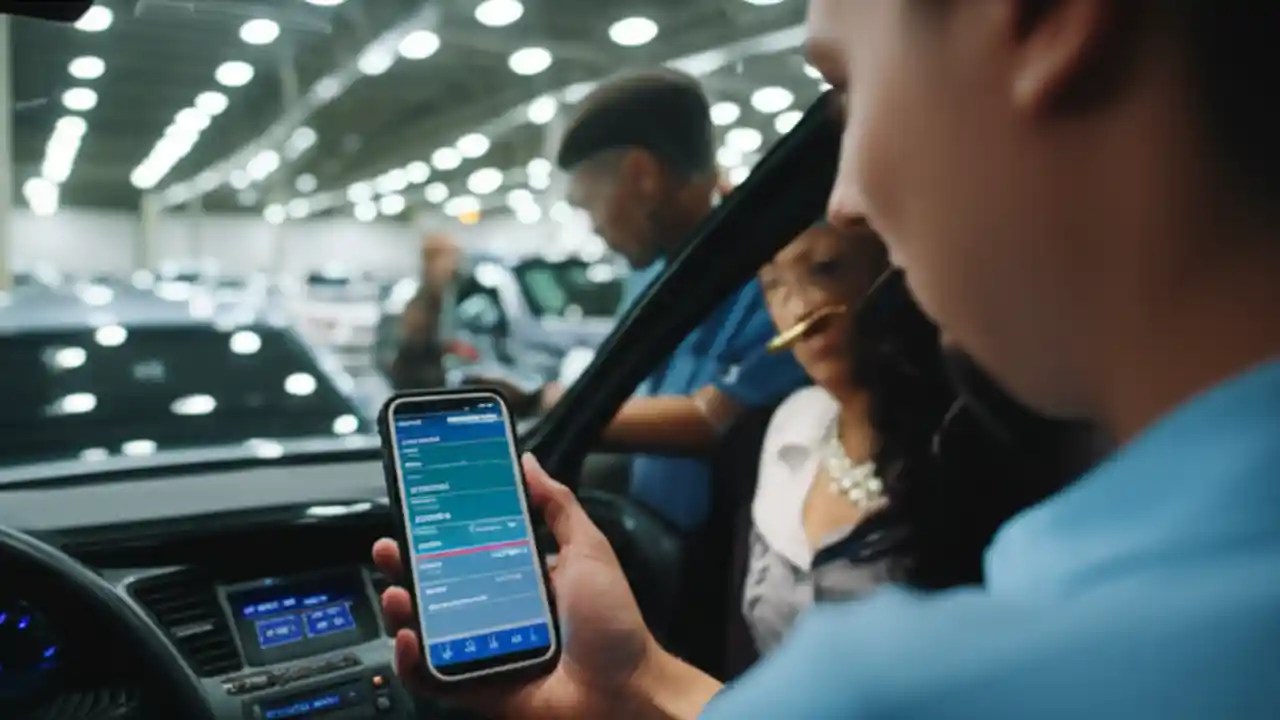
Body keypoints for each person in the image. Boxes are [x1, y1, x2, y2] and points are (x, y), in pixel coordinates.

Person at [374, 0, 1280, 717]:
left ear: (1042, 15)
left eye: (846, 90)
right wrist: (638, 681)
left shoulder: (910, 686)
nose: (842, 204)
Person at [508, 71, 809, 533]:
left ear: (641, 175)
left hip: (716, 557)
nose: (593, 227)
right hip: (650, 534)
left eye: (590, 205)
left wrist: (546, 403)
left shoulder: (774, 274)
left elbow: (711, 421)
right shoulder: (652, 275)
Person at [743, 220, 1057, 655]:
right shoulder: (793, 428)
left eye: (825, 268)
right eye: (772, 285)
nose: (800, 311)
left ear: (890, 270)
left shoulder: (961, 441)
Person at [386, 233, 463, 391]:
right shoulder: (416, 307)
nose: (453, 265)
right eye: (447, 258)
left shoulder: (459, 298)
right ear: (429, 262)